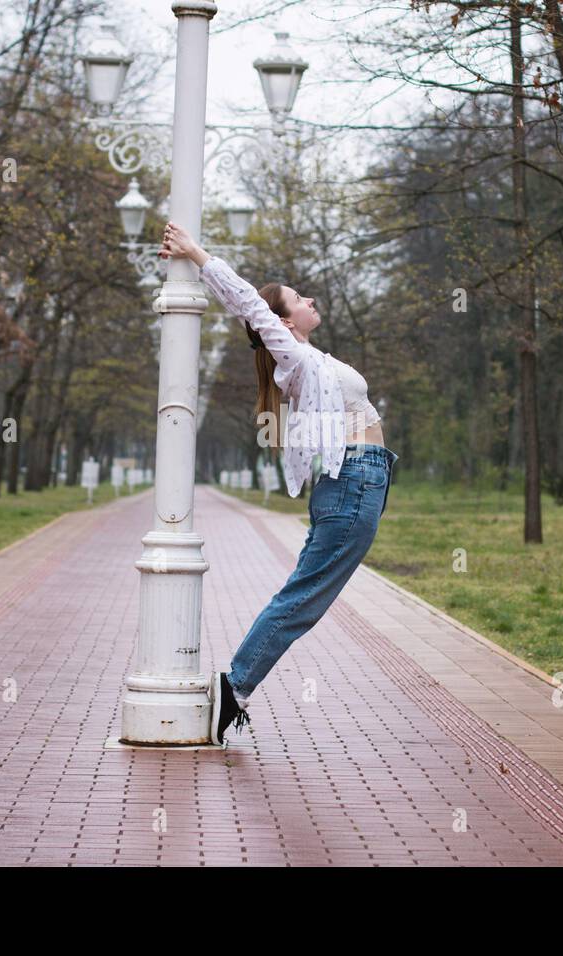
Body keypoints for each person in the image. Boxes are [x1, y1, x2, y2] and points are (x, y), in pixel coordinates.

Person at [158, 221, 400, 745]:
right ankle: (234, 687)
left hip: (360, 481)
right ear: (283, 322)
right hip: (354, 481)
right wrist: (197, 254)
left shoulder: (312, 361)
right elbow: (248, 303)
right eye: (298, 298)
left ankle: (236, 686)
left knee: (305, 594)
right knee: (305, 596)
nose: (310, 299)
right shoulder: (292, 358)